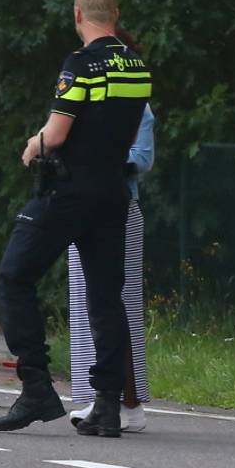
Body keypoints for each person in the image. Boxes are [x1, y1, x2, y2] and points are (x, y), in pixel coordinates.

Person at [0, 0, 152, 438]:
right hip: (113, 192)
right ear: (115, 13)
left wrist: (32, 145)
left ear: (79, 15)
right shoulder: (137, 66)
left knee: (13, 277)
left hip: (70, 188)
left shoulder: (81, 64)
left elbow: (58, 133)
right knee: (106, 297)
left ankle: (36, 385)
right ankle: (107, 404)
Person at [67, 63, 155, 432]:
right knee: (86, 305)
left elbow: (144, 157)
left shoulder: (139, 108)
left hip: (118, 208)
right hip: (80, 205)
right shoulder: (76, 102)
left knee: (119, 305)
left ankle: (130, 402)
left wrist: (102, 160)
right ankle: (95, 397)